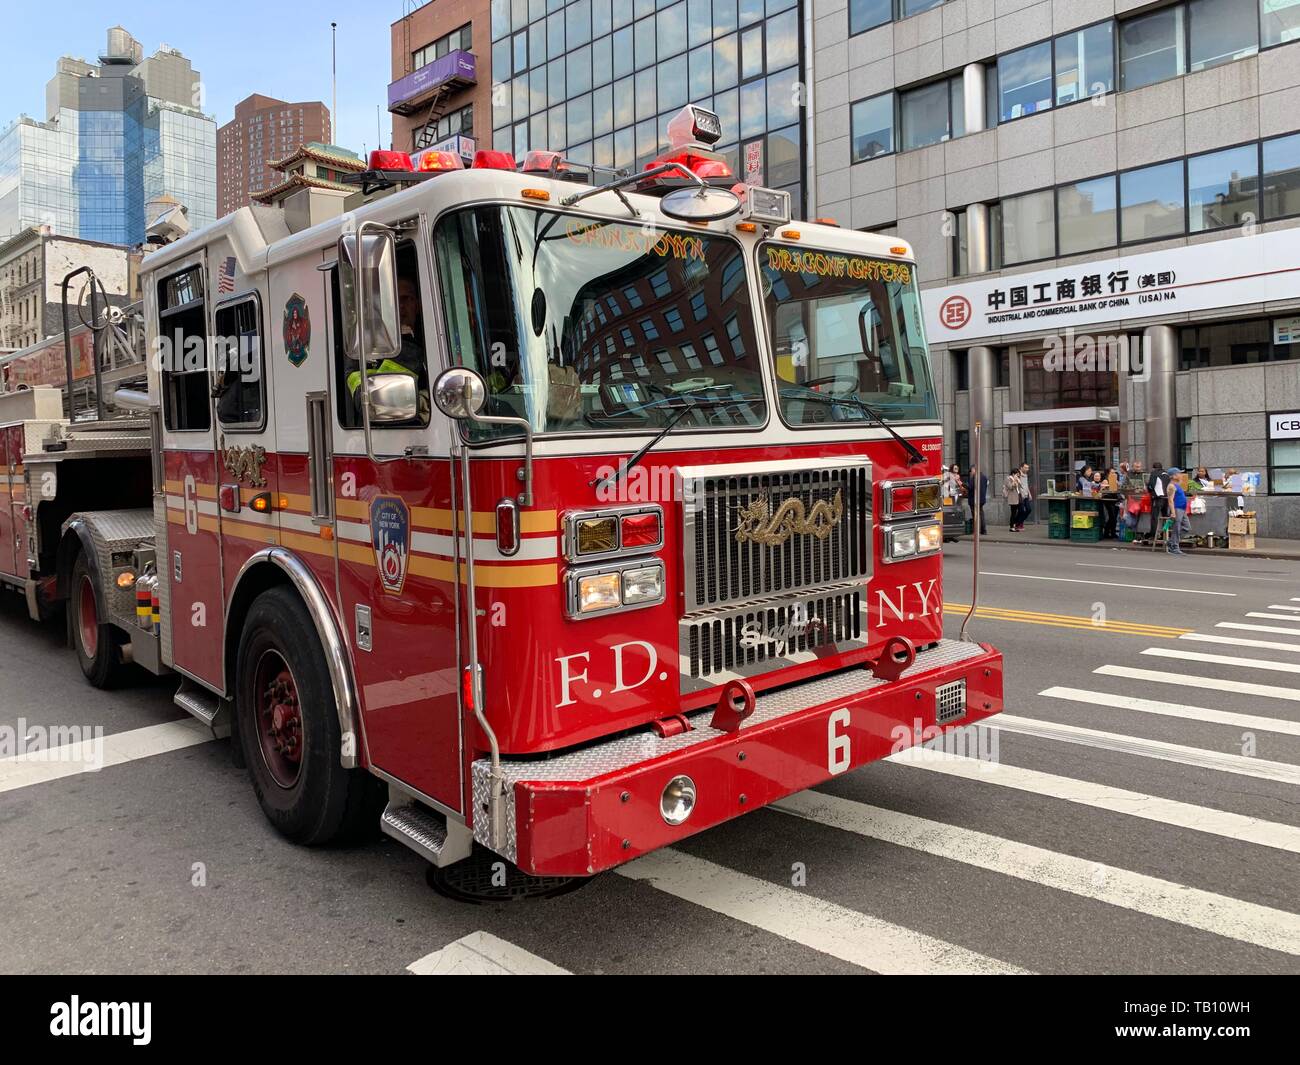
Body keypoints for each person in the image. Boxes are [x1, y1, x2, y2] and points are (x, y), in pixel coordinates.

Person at [1165, 467, 1191, 555]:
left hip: (1182, 509)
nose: (1181, 475)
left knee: (1187, 527)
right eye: (1179, 473)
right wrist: (1172, 512)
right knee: (1176, 528)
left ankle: (1172, 542)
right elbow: (1170, 500)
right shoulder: (1171, 486)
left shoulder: (1177, 484)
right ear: (1173, 476)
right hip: (1176, 508)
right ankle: (1174, 546)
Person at [1003, 463, 1031, 532]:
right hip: (1013, 498)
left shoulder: (1019, 478)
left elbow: (1021, 486)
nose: (1018, 475)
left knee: (1021, 511)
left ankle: (1016, 524)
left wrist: (1028, 493)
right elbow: (1010, 487)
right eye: (1017, 474)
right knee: (1014, 512)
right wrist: (1015, 480)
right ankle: (1012, 526)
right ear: (1013, 474)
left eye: (1018, 474)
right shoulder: (1008, 478)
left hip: (1019, 497)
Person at [1144, 462, 1167, 541]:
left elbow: (1151, 486)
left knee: (1154, 517)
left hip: (1157, 497)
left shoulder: (1154, 473)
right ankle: (1166, 534)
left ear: (1154, 468)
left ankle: (1153, 535)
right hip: (1166, 498)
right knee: (1165, 517)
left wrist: (1148, 487)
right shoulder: (1166, 474)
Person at [963, 465, 988, 535]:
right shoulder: (984, 477)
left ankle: (977, 531)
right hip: (982, 499)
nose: (970, 473)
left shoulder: (974, 477)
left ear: (974, 469)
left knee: (975, 516)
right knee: (981, 514)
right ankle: (983, 530)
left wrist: (962, 484)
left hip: (974, 499)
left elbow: (970, 487)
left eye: (970, 471)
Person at [1097, 468, 1121, 539]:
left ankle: (1112, 532)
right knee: (1112, 517)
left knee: (1114, 517)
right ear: (1108, 474)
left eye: (1114, 473)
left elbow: (1118, 489)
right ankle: (1107, 532)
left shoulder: (1115, 480)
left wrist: (1117, 484)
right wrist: (1107, 486)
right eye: (1112, 473)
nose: (1114, 474)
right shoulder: (1105, 480)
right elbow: (1102, 490)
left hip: (1115, 499)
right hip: (1108, 500)